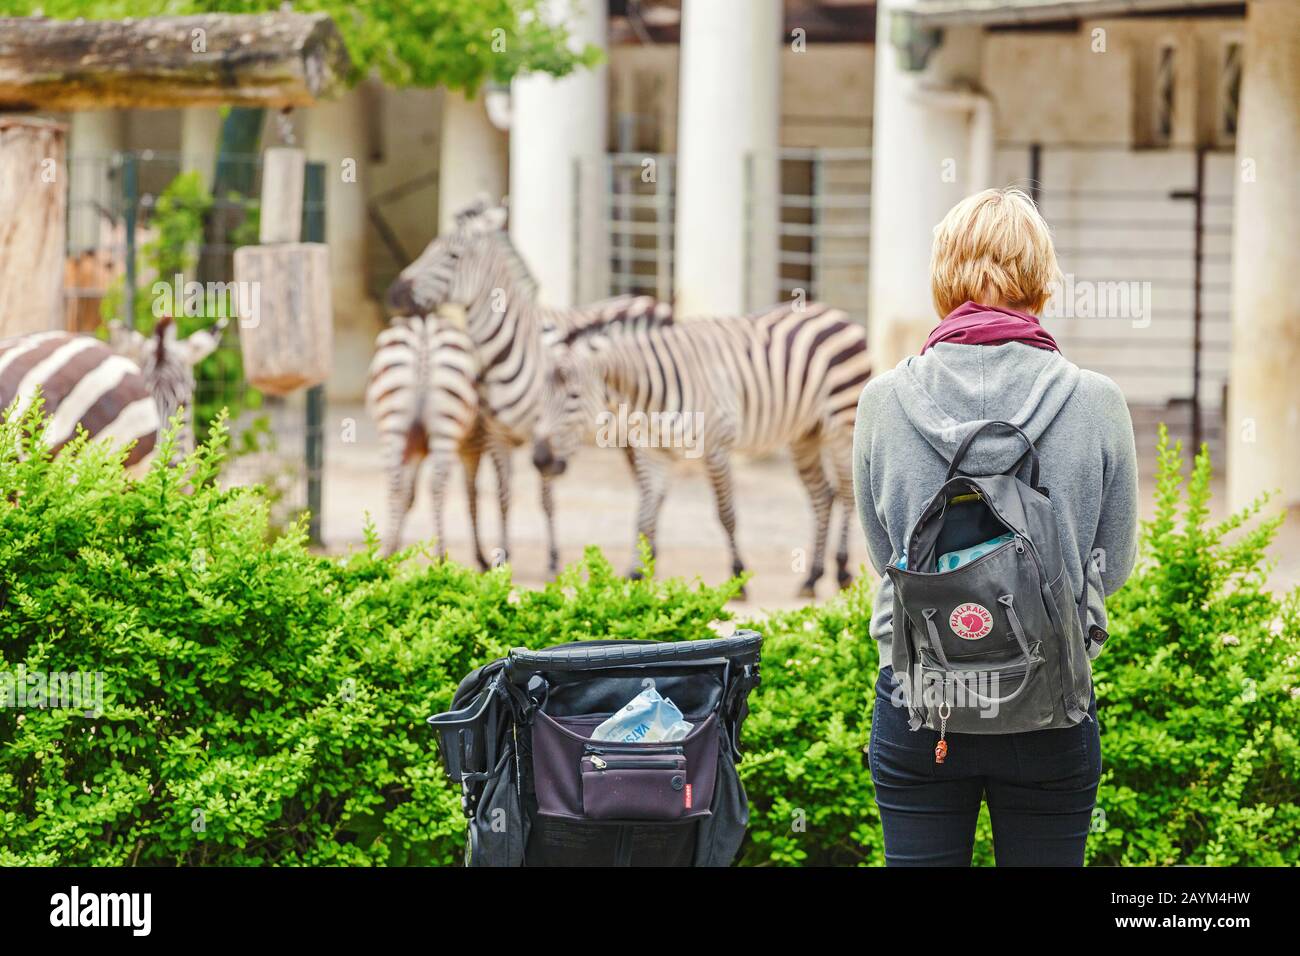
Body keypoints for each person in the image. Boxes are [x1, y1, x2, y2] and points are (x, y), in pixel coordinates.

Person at [852, 187, 1139, 866]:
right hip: (1051, 706)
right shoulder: (1097, 403)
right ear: (1042, 280)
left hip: (924, 706)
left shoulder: (884, 402)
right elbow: (1116, 563)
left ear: (943, 278)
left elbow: (884, 553)